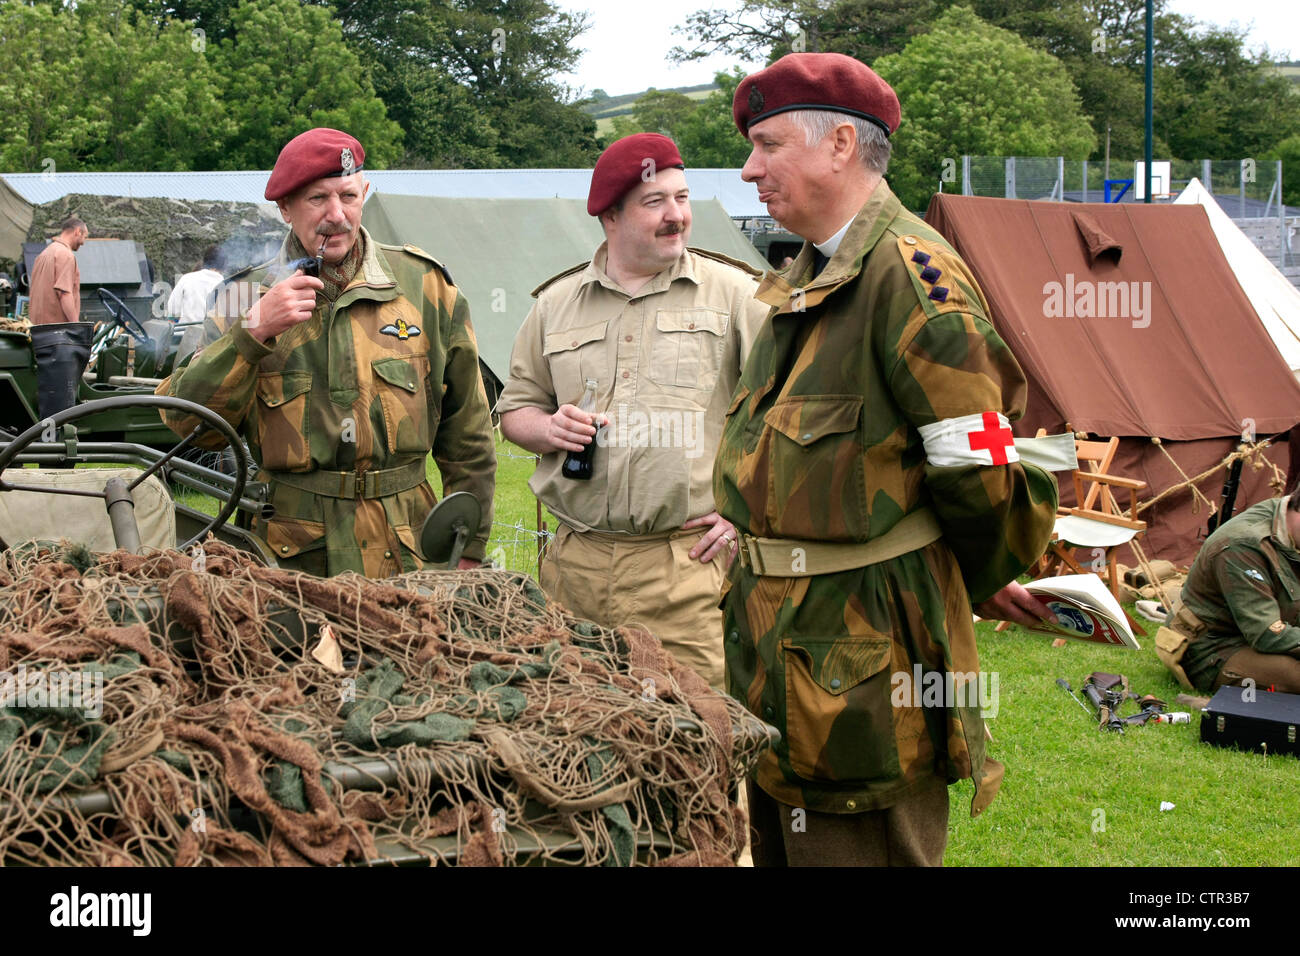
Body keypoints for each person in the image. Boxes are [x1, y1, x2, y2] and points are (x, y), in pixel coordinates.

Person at [714, 53, 1059, 866]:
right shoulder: (812, 276)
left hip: (865, 684)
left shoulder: (912, 277)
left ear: (839, 145)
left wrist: (960, 576)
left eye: (767, 146)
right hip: (780, 664)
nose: (748, 168)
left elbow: (981, 465)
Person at [496, 133, 769, 690]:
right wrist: (548, 429)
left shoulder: (738, 295)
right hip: (572, 569)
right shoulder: (555, 304)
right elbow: (514, 410)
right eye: (656, 203)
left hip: (684, 570)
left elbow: (789, 412)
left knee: (698, 739)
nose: (677, 217)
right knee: (575, 728)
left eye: (683, 198)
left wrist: (750, 512)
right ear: (611, 216)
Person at [157, 127, 495, 576]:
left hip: (405, 550)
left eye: (348, 196)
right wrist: (253, 333)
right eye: (317, 198)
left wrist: (468, 547)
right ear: (285, 208)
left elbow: (467, 431)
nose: (337, 215)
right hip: (284, 555)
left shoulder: (425, 287)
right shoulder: (241, 298)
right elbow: (189, 426)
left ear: (365, 193)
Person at [1158, 491, 1300, 694]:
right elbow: (1267, 634)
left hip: (1261, 632)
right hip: (1215, 647)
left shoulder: (1288, 523)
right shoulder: (1242, 544)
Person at [29, 217, 88, 325]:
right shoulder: (66, 255)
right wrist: (75, 325)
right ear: (78, 232)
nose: (83, 243)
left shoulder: (43, 254)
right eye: (85, 237)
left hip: (38, 328)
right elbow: (64, 293)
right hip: (57, 331)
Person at [167, 245, 224, 324]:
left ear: (204, 261)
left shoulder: (186, 278)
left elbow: (172, 311)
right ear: (224, 266)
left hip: (183, 333)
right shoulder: (227, 286)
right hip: (212, 335)